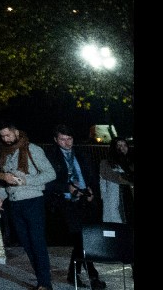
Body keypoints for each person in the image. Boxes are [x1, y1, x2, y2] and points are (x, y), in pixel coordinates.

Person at [0, 124, 56, 290]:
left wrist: (27, 180)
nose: (6, 139)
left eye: (8, 135)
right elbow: (6, 180)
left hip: (33, 201)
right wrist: (0, 197)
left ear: (16, 132)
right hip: (15, 204)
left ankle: (45, 284)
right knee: (26, 244)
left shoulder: (33, 150)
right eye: (2, 136)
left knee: (37, 242)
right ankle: (41, 277)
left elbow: (50, 173)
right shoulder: (3, 152)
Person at [43, 124, 106, 289]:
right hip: (66, 202)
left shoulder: (82, 153)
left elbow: (91, 175)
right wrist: (67, 188)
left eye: (69, 138)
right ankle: (93, 277)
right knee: (81, 239)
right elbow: (47, 182)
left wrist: (93, 191)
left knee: (84, 240)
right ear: (56, 140)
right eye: (62, 139)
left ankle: (74, 275)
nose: (67, 142)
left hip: (85, 199)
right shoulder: (50, 156)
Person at [97, 137, 132, 225]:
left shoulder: (130, 163)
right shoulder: (105, 163)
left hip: (129, 198)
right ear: (113, 148)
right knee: (117, 223)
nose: (122, 148)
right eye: (119, 145)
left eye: (125, 145)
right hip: (114, 200)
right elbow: (115, 177)